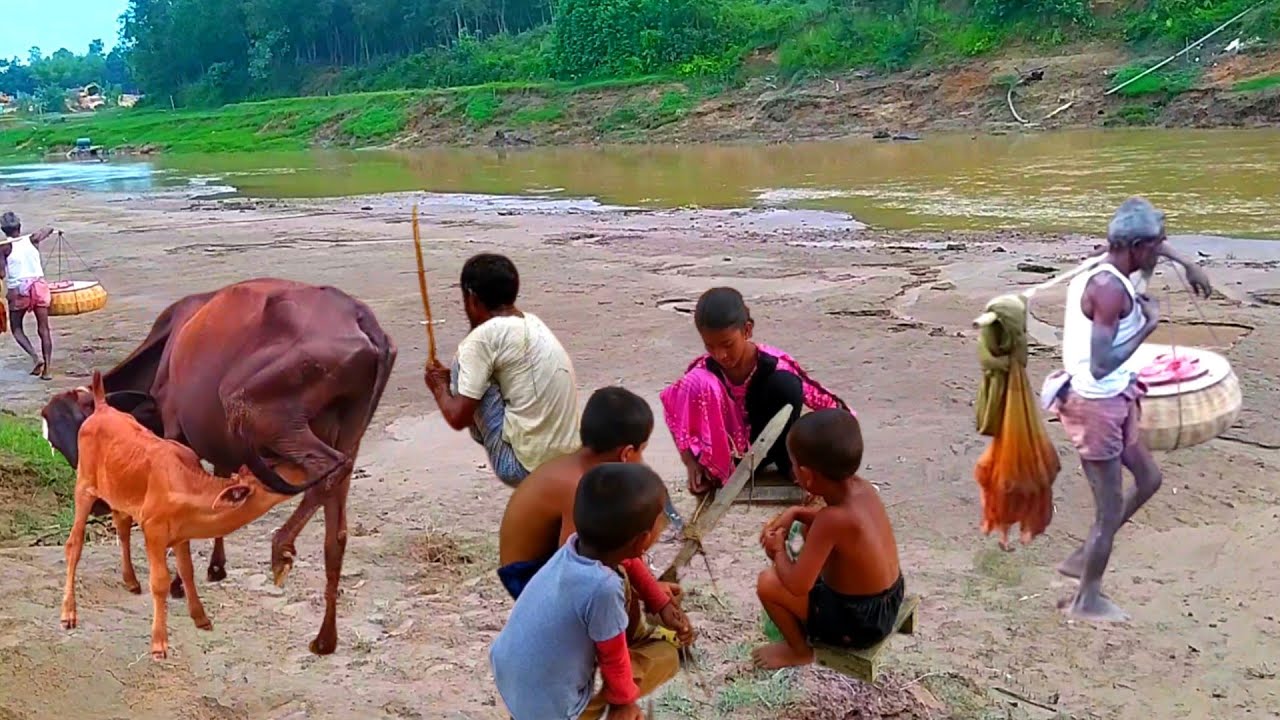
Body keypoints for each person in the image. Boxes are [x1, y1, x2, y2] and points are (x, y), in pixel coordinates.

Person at [1050, 197, 1211, 623]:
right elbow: (1102, 363)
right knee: (1108, 510)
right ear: (1137, 247)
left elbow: (1153, 242)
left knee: (1150, 479)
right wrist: (1148, 326)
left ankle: (1083, 558)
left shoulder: (1117, 263)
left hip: (1115, 397)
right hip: (1094, 405)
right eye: (1157, 245)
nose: (1162, 249)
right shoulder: (1108, 289)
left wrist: (1188, 264)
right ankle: (1087, 599)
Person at [490, 463, 686, 720]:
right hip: (552, 709)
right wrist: (624, 704)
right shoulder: (603, 589)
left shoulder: (574, 549)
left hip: (511, 676)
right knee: (667, 657)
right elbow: (613, 657)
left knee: (621, 579)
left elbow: (628, 558)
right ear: (643, 539)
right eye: (662, 518)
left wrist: (659, 602)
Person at [660, 287, 850, 496]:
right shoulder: (703, 370)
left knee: (786, 384)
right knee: (697, 382)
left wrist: (837, 454)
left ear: (747, 330)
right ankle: (717, 470)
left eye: (727, 344)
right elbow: (676, 414)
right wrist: (690, 462)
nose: (720, 355)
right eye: (710, 346)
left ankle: (788, 464)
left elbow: (829, 405)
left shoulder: (773, 363)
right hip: (728, 456)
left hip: (767, 449)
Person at [753, 409, 903, 670]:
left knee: (767, 583)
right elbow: (846, 527)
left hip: (858, 625)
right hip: (887, 602)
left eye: (793, 465)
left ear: (807, 475)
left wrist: (777, 551)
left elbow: (797, 585)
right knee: (809, 533)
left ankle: (799, 651)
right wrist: (796, 512)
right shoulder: (863, 489)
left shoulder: (830, 520)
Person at [424, 253, 579, 487]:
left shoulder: (480, 340)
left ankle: (511, 449)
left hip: (522, 467)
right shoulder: (532, 322)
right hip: (567, 460)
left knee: (464, 367)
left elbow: (458, 417)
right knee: (487, 370)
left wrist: (439, 387)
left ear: (472, 299)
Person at [0, 212, 57, 380]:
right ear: (19, 227)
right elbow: (48, 229)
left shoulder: (4, 248)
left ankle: (35, 357)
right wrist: (38, 234)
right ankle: (47, 370)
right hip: (39, 286)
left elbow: (1, 274)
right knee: (44, 329)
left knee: (17, 328)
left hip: (19, 290)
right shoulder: (32, 240)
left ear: (3, 230)